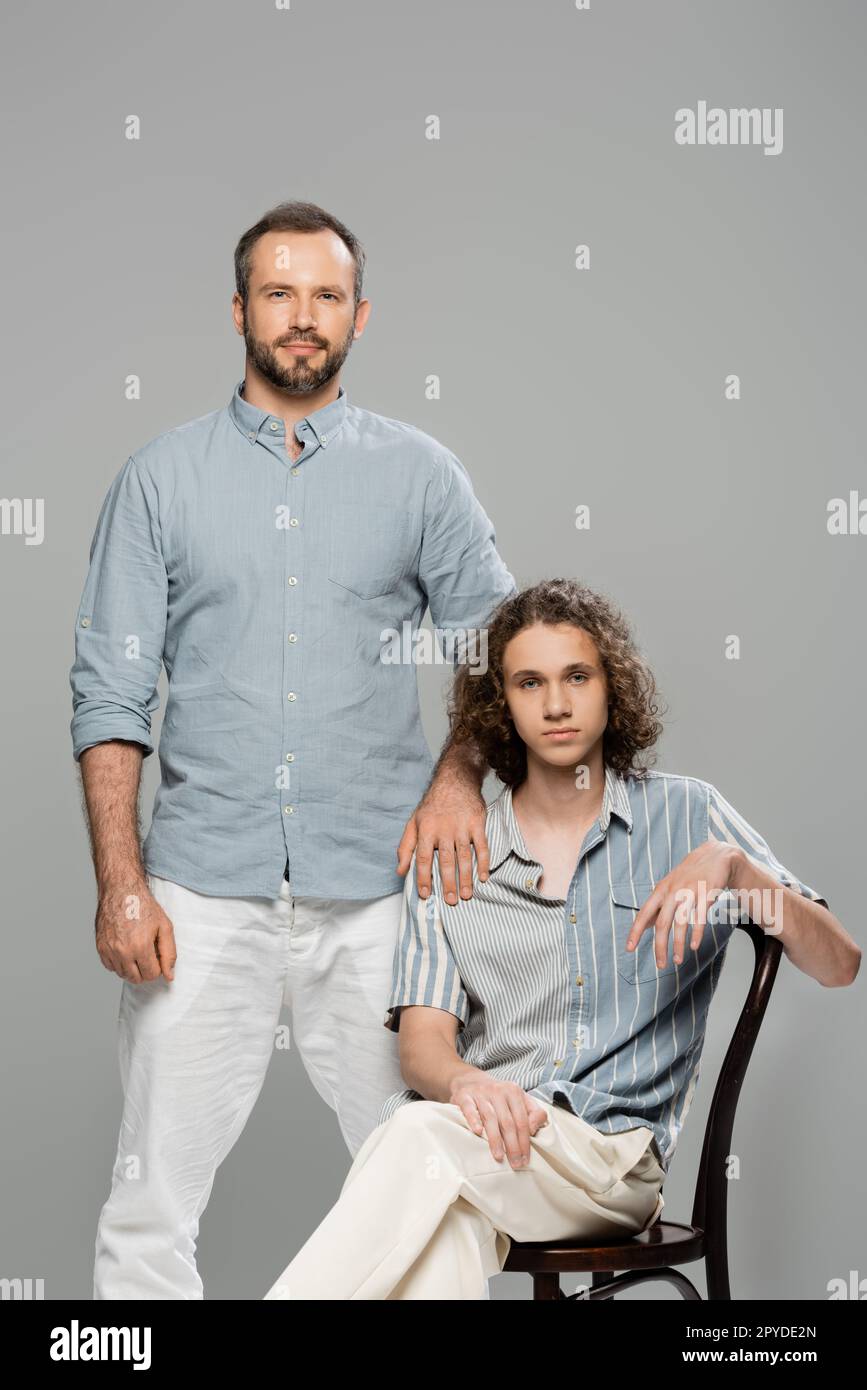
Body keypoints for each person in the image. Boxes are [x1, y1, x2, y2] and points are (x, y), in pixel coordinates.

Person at [69, 200, 517, 1300]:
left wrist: (459, 775)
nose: (302, 317)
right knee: (150, 1203)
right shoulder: (158, 481)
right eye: (279, 293)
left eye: (325, 295)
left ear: (360, 315)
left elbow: (504, 647)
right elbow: (111, 695)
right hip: (198, 891)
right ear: (239, 311)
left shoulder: (422, 476)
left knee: (425, 1189)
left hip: (378, 889)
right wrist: (121, 883)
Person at [263, 578, 859, 1300]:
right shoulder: (455, 853)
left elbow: (837, 963)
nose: (554, 703)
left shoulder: (687, 814)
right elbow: (422, 1044)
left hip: (608, 1166)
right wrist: (467, 1084)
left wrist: (737, 868)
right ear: (501, 705)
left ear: (611, 688)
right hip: (485, 1146)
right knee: (436, 1234)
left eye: (576, 676)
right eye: (528, 682)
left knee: (414, 1140)